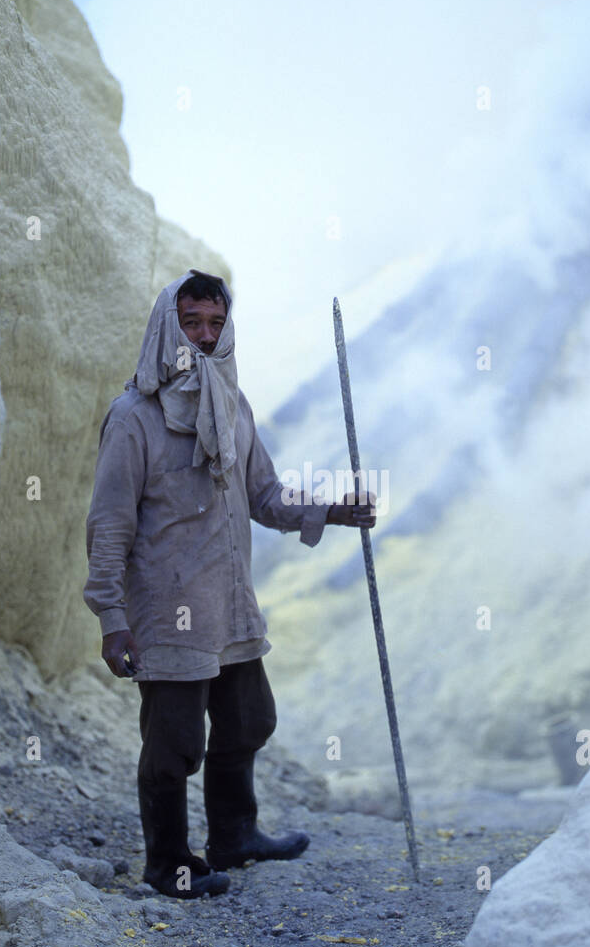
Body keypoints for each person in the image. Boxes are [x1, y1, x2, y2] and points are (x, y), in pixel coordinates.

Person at [83, 269, 376, 898]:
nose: (205, 337)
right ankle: (168, 863)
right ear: (169, 326)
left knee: (249, 720)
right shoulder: (135, 416)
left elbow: (264, 495)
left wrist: (331, 508)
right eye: (192, 323)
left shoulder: (232, 404)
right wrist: (111, 617)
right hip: (169, 608)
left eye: (216, 323)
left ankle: (234, 836)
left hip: (230, 603)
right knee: (175, 743)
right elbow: (109, 524)